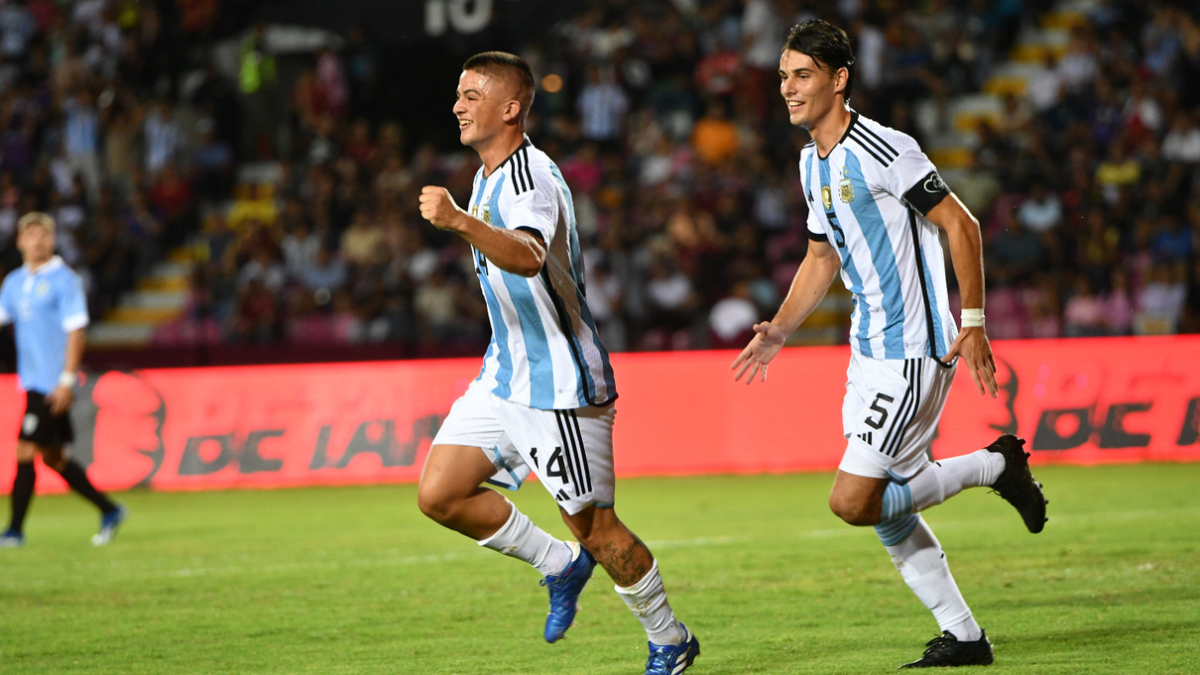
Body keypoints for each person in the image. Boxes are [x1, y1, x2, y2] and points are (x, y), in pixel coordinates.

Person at [731, 20, 1047, 669]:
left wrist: (974, 320)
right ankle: (964, 637)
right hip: (868, 350)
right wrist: (782, 328)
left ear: (839, 78)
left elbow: (962, 223)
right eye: (784, 76)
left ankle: (995, 466)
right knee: (884, 506)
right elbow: (822, 257)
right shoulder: (808, 161)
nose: (788, 88)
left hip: (913, 348)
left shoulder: (883, 147)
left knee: (853, 499)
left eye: (802, 75)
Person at [416, 52, 700, 675]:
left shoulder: (528, 178)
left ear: (511, 108)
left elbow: (526, 255)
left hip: (559, 388)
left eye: (471, 94)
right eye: (457, 93)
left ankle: (671, 638)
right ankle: (560, 568)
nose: (458, 105)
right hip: (504, 374)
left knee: (597, 528)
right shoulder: (488, 174)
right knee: (439, 493)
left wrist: (459, 222)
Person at [0, 212, 126, 547]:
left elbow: (77, 332)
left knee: (24, 449)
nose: (37, 239)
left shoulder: (64, 280)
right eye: (30, 234)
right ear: (19, 241)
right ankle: (110, 509)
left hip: (53, 384)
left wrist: (67, 380)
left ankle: (13, 531)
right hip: (32, 382)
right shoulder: (13, 282)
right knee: (53, 458)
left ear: (53, 240)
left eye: (43, 234)